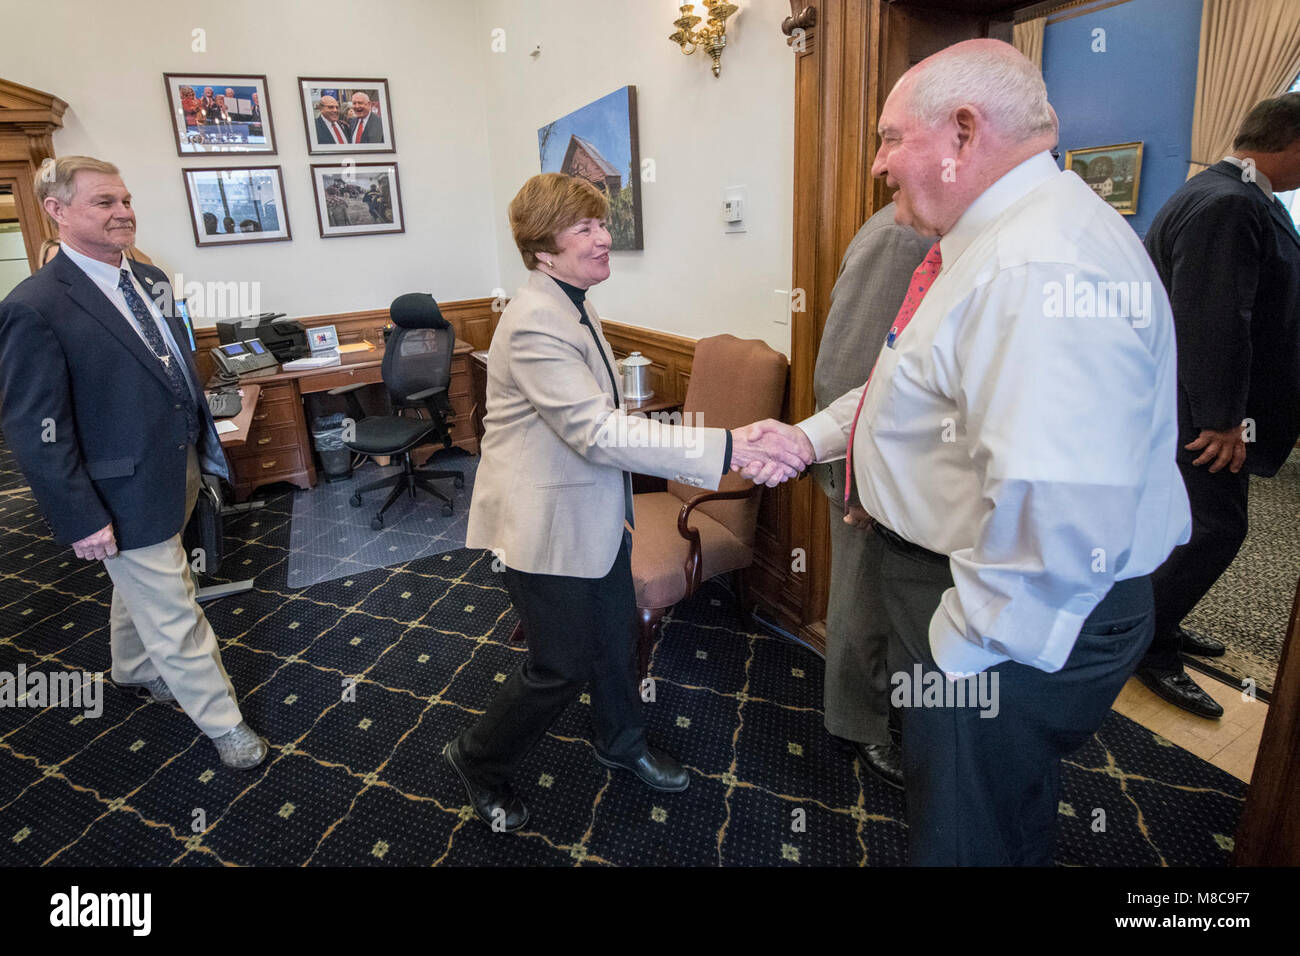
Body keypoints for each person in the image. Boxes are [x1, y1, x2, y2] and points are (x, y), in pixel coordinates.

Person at [750, 40, 1190, 865]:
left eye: (889, 138)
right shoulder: (982, 243)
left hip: (997, 617)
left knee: (964, 834)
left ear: (961, 132)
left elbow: (1059, 512)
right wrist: (804, 437)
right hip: (961, 589)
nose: (878, 165)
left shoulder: (1034, 267)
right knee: (982, 802)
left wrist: (958, 654)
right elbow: (901, 382)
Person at [448, 172, 802, 831]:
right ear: (542, 250)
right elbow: (597, 430)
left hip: (598, 516)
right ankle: (478, 759)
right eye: (584, 229)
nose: (605, 238)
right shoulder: (533, 324)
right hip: (544, 527)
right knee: (558, 668)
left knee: (614, 643)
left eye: (602, 223)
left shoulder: (574, 302)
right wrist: (724, 448)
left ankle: (621, 744)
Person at [0, 156, 267, 770]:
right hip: (118, 489)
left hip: (179, 467)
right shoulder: (35, 306)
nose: (122, 212)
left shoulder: (150, 279)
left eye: (125, 200)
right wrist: (81, 518)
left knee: (141, 584)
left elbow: (173, 370)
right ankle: (225, 726)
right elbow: (37, 432)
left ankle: (131, 667)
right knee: (175, 608)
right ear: (58, 211)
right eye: (103, 202)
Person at [1134, 93, 1300, 719]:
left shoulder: (1231, 193)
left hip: (1204, 405)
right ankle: (1144, 644)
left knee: (1189, 528)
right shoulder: (1228, 203)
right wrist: (1222, 420)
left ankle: (1158, 623)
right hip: (1204, 412)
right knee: (1213, 531)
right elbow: (1213, 321)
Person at [812, 201, 933, 790]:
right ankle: (859, 723)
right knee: (865, 598)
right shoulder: (899, 236)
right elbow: (846, 375)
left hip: (912, 466)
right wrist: (857, 477)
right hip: (867, 467)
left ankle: (893, 708)